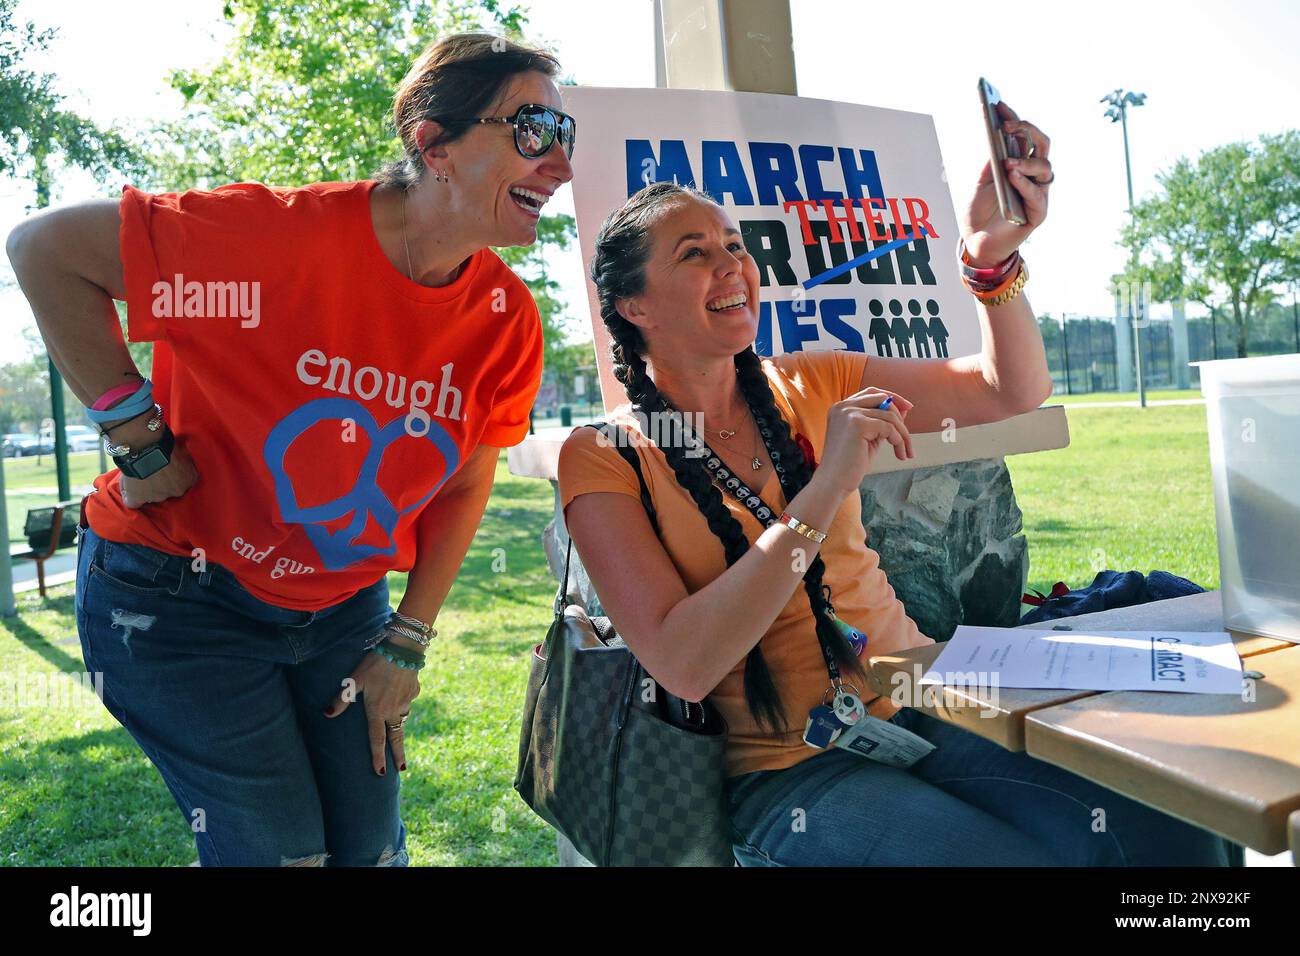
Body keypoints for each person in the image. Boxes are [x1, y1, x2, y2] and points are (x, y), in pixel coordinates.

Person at [558, 104, 1241, 866]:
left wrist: (988, 259)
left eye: (735, 245)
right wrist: (824, 489)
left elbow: (1006, 389)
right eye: (694, 253)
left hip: (924, 697)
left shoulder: (813, 378)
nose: (732, 266)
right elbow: (683, 661)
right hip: (786, 776)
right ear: (634, 305)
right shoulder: (604, 457)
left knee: (1173, 828)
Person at [5, 31, 575, 866]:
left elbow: (461, 487)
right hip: (177, 596)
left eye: (566, 137)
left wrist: (406, 642)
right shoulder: (270, 240)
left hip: (343, 610)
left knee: (373, 853)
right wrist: (136, 436)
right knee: (280, 854)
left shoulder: (506, 320)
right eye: (531, 130)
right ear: (433, 144)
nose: (558, 163)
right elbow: (43, 250)